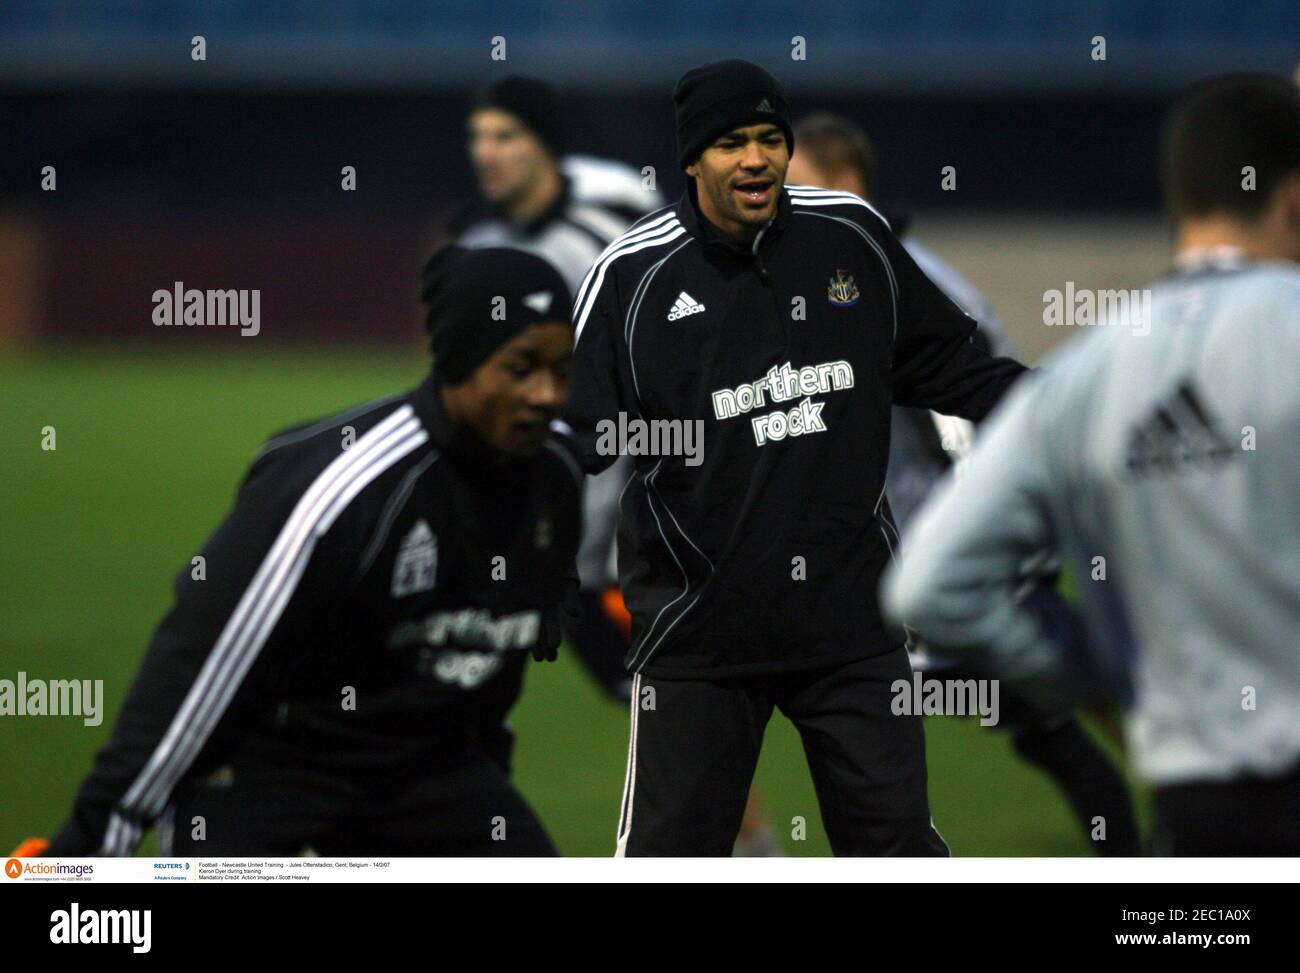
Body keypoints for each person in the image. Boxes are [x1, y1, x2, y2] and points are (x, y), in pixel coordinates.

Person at [565, 59, 1027, 856]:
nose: (756, 159)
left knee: (896, 852)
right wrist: (527, 564)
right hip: (697, 634)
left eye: (770, 138)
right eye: (732, 142)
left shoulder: (851, 236)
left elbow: (964, 371)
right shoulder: (630, 279)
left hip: (848, 624)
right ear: (691, 160)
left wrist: (1079, 414)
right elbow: (567, 440)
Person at [44, 246, 582, 856]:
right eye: (521, 368)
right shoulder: (344, 488)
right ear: (460, 361)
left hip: (430, 773)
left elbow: (495, 655)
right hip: (275, 768)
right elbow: (200, 664)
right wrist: (86, 853)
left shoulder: (556, 473)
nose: (547, 395)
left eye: (563, 371)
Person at [883, 74, 1300, 855]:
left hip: (1189, 800)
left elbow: (930, 582)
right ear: (1294, 197)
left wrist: (1095, 675)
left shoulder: (1084, 375)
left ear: (1179, 203)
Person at [788, 113, 1140, 856]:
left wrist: (1002, 544)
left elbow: (978, 417)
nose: (783, 205)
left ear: (847, 186)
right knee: (1048, 728)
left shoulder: (906, 282)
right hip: (904, 567)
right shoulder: (840, 275)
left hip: (952, 560)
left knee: (1060, 727)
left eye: (799, 185)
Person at [448, 74, 666, 702]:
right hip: (560, 513)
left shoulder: (612, 216)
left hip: (647, 503)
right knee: (652, 702)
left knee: (671, 707)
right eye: (477, 137)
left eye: (505, 135)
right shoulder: (482, 248)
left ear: (544, 144)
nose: (485, 152)